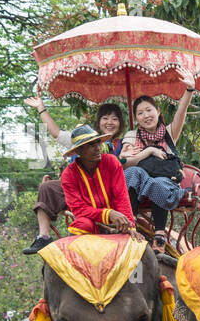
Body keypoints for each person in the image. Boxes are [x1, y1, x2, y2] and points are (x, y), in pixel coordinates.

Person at [22, 97, 126, 254]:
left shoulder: (125, 143)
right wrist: (41, 108)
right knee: (47, 187)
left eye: (114, 119)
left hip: (105, 191)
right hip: (79, 188)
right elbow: (56, 133)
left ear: (120, 123)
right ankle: (43, 237)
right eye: (105, 118)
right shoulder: (81, 137)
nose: (109, 122)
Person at [121, 67, 196, 251]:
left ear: (157, 110)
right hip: (139, 182)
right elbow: (124, 161)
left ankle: (160, 235)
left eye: (149, 110)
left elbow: (181, 112)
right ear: (137, 118)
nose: (146, 115)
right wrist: (149, 152)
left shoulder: (169, 133)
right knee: (132, 171)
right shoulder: (132, 135)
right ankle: (131, 226)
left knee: (158, 183)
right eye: (140, 113)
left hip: (165, 182)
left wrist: (189, 90)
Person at [58, 124, 137, 238]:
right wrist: (108, 213)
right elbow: (79, 210)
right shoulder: (69, 174)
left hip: (117, 222)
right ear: (79, 150)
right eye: (91, 145)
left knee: (134, 240)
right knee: (82, 225)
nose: (98, 148)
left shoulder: (111, 162)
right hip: (91, 223)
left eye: (98, 142)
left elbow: (121, 197)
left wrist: (130, 226)